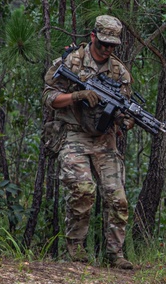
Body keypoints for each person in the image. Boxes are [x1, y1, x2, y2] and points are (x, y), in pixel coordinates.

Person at [42, 15, 135, 270]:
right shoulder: (71, 62)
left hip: (104, 139)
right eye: (103, 43)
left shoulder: (119, 71)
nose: (107, 50)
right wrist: (76, 95)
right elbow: (49, 97)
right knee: (83, 190)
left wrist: (126, 120)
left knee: (118, 198)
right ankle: (76, 251)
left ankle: (114, 254)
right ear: (93, 37)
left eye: (112, 46)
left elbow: (125, 109)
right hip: (73, 133)